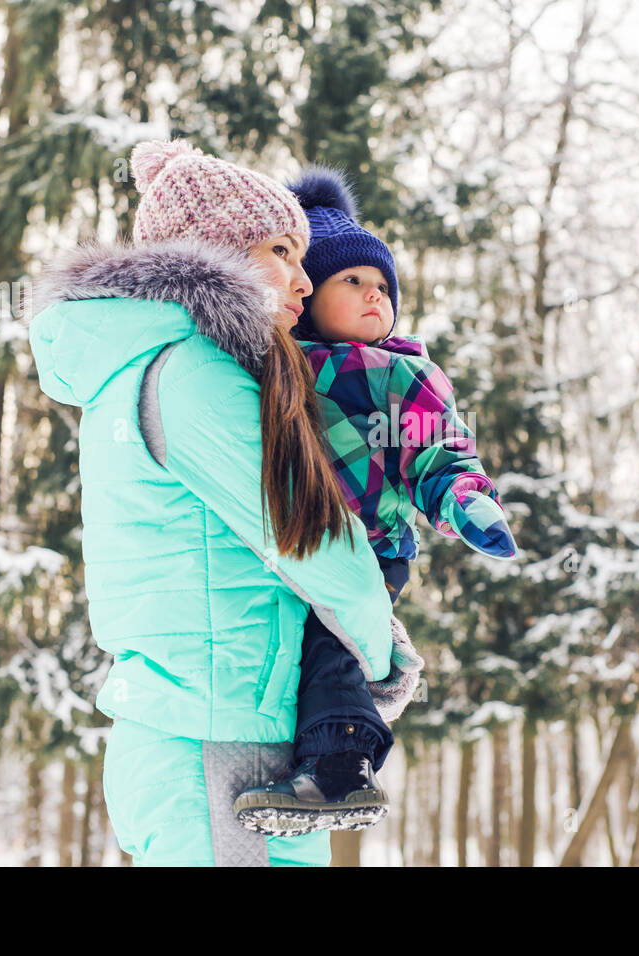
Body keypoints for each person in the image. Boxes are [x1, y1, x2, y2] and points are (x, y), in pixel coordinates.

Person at [26, 139, 400, 866]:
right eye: (282, 251)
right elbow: (314, 539)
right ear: (218, 251)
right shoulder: (193, 373)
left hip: (206, 736)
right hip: (222, 743)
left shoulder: (143, 363)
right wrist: (378, 659)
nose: (303, 276)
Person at [232, 167, 517, 835]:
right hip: (288, 539)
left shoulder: (401, 372)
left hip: (370, 545)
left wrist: (465, 501)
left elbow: (439, 450)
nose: (372, 296)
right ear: (308, 294)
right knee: (289, 657)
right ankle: (303, 763)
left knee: (335, 649)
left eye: (382, 285)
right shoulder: (278, 360)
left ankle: (341, 774)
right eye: (351, 282)